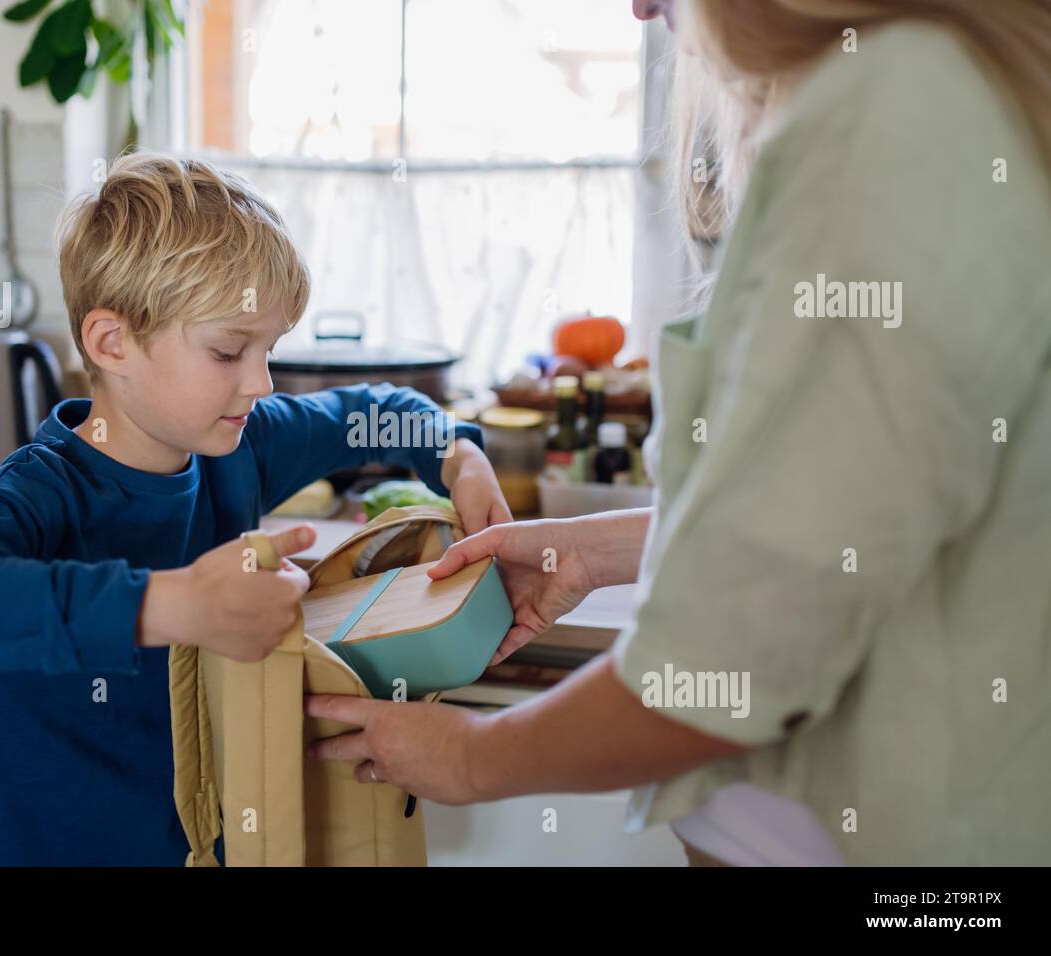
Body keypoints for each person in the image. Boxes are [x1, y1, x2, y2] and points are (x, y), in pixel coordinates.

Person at [306, 0, 1051, 866]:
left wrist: (472, 758)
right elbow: (841, 526)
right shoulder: (939, 89)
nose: (640, 6)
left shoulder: (888, 116)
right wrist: (595, 551)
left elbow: (741, 652)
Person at [0, 152, 509, 865]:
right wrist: (168, 605)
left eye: (269, 349)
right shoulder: (42, 498)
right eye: (228, 351)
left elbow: (375, 411)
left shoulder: (240, 445)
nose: (261, 382)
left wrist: (457, 454)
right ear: (112, 342)